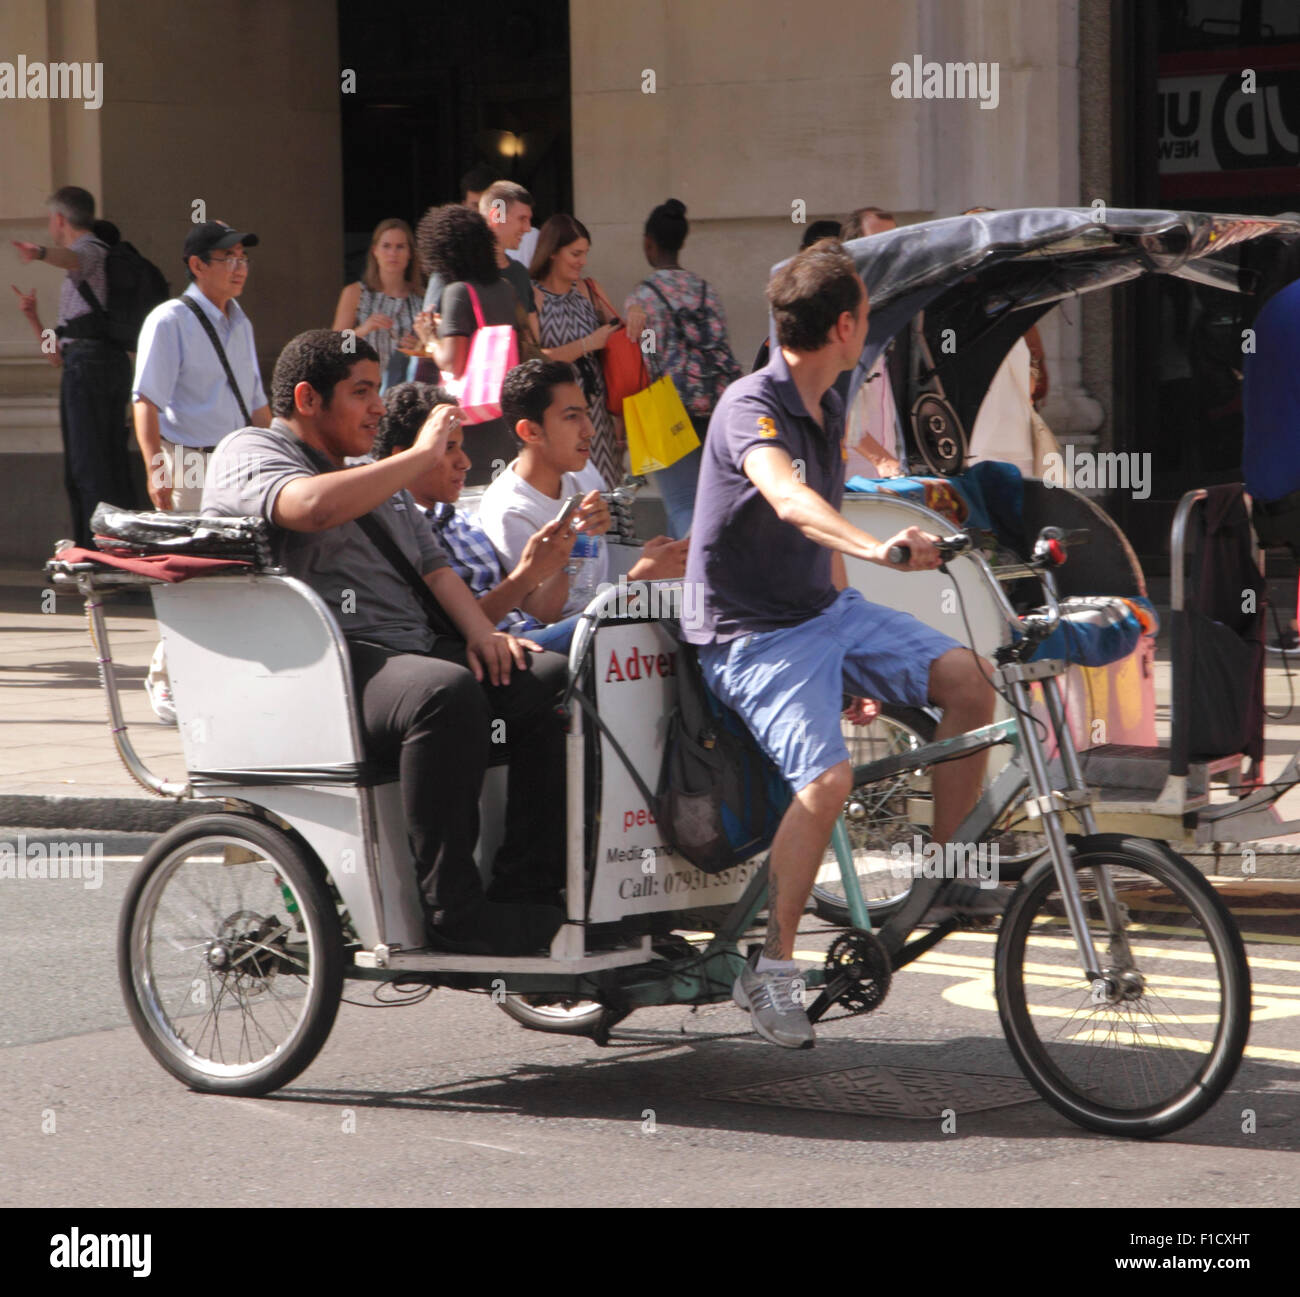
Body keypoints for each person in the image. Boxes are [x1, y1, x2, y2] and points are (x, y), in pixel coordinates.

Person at [682, 238, 1000, 1050]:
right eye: (869, 319)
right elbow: (788, 499)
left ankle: (942, 875)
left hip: (823, 612)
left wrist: (848, 627)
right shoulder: (749, 406)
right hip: (750, 633)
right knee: (827, 781)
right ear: (848, 326)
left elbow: (819, 521)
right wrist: (878, 549)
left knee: (968, 680)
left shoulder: (830, 403)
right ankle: (774, 968)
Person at [201, 329, 568, 954]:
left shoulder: (377, 479)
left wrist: (485, 634)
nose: (377, 406)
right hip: (322, 664)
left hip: (409, 651)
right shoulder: (252, 449)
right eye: (361, 391)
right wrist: (416, 458)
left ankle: (529, 887)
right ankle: (451, 908)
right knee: (441, 691)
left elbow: (434, 570)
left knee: (548, 675)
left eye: (377, 390)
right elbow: (309, 507)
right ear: (308, 399)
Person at [130, 219, 271, 724]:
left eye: (243, 258)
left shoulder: (241, 321)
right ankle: (165, 678)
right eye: (228, 258)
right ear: (197, 265)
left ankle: (219, 675)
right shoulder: (170, 320)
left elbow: (256, 402)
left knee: (242, 570)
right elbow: (146, 398)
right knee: (188, 575)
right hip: (187, 460)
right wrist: (155, 464)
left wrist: (277, 452)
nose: (240, 268)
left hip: (236, 458)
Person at [375, 381, 583, 654]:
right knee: (613, 620)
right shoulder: (399, 535)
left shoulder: (466, 523)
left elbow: (540, 615)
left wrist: (561, 559)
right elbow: (453, 631)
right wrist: (524, 575)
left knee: (638, 609)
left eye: (461, 447)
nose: (465, 462)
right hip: (494, 656)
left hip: (533, 640)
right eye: (448, 448)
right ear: (405, 457)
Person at [478, 360, 689, 620]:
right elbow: (545, 620)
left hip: (617, 618)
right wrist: (641, 577)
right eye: (571, 417)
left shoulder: (585, 472)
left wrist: (651, 558)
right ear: (531, 431)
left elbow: (601, 572)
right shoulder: (509, 511)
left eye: (586, 414)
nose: (589, 430)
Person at [10, 186, 134, 547]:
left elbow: (72, 258)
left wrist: (39, 253)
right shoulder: (79, 279)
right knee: (90, 465)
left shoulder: (92, 251)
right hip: (83, 368)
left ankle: (100, 553)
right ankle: (99, 549)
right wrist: (33, 318)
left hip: (92, 371)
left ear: (61, 219)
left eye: (51, 218)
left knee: (91, 467)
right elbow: (57, 356)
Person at [624, 199, 742, 537]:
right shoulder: (707, 291)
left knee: (680, 503)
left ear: (649, 242)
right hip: (714, 403)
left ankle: (695, 581)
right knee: (710, 501)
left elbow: (641, 359)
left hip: (662, 408)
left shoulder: (642, 297)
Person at [414, 203, 521, 484]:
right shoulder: (505, 289)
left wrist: (429, 339)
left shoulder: (457, 291)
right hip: (503, 417)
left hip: (470, 422)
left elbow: (452, 362)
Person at [530, 214, 622, 489]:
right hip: (557, 414)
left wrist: (639, 319)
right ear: (553, 253)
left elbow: (621, 337)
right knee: (569, 492)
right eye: (575, 253)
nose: (582, 261)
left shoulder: (589, 290)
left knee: (607, 493)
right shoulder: (533, 295)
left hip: (597, 412)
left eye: (585, 253)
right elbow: (536, 359)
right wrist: (588, 344)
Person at [839, 207, 905, 479]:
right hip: (849, 477)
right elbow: (836, 399)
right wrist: (881, 459)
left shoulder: (895, 308)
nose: (888, 253)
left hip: (886, 474)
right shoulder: (841, 312)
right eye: (879, 243)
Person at [330, 218, 423, 392]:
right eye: (386, 246)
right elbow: (336, 348)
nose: (393, 253)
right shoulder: (356, 293)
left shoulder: (420, 299)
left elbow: (434, 350)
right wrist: (363, 330)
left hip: (407, 390)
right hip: (363, 389)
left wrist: (420, 347)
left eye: (400, 247)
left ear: (410, 253)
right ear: (375, 251)